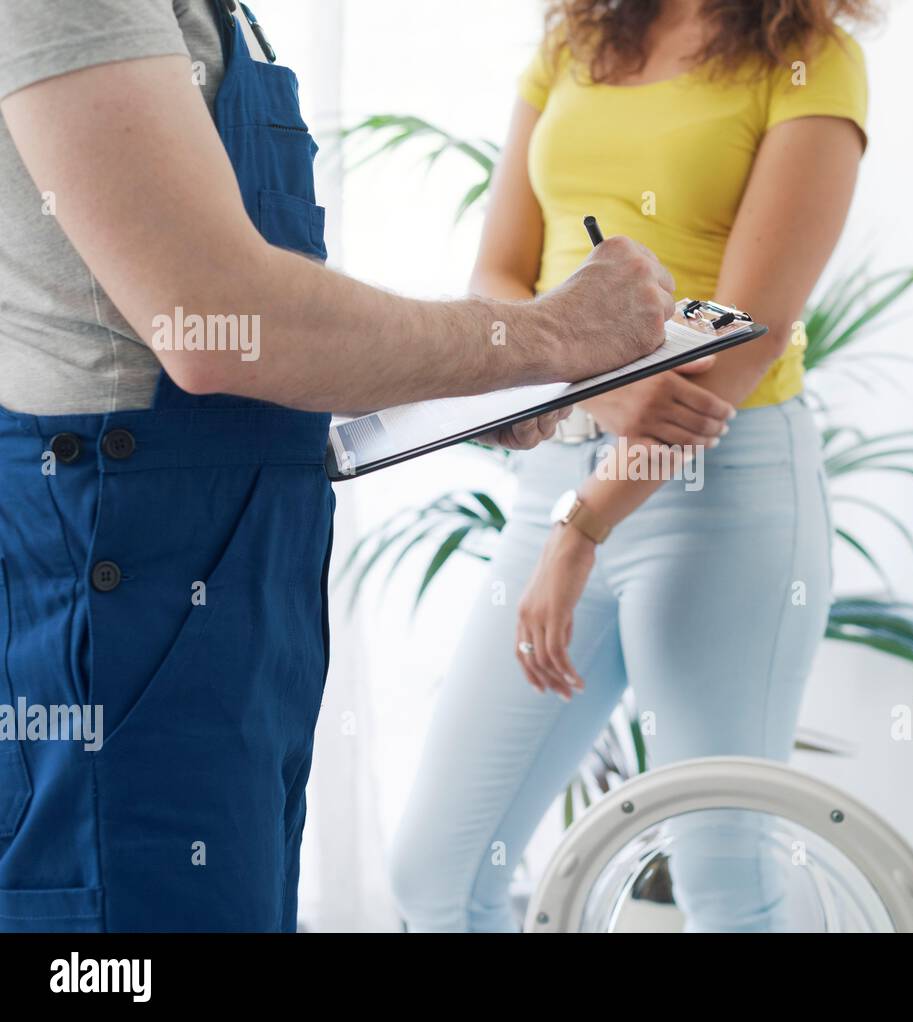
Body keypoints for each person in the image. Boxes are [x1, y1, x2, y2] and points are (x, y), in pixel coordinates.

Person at [0, 0, 676, 932]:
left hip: (235, 604)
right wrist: (553, 331)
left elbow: (248, 330)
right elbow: (215, 321)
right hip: (128, 601)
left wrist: (468, 380)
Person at [391, 0, 875, 931]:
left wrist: (584, 525)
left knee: (724, 885)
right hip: (556, 481)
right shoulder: (573, 43)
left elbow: (740, 344)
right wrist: (592, 397)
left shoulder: (812, 60)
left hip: (726, 494)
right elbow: (497, 280)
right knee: (435, 874)